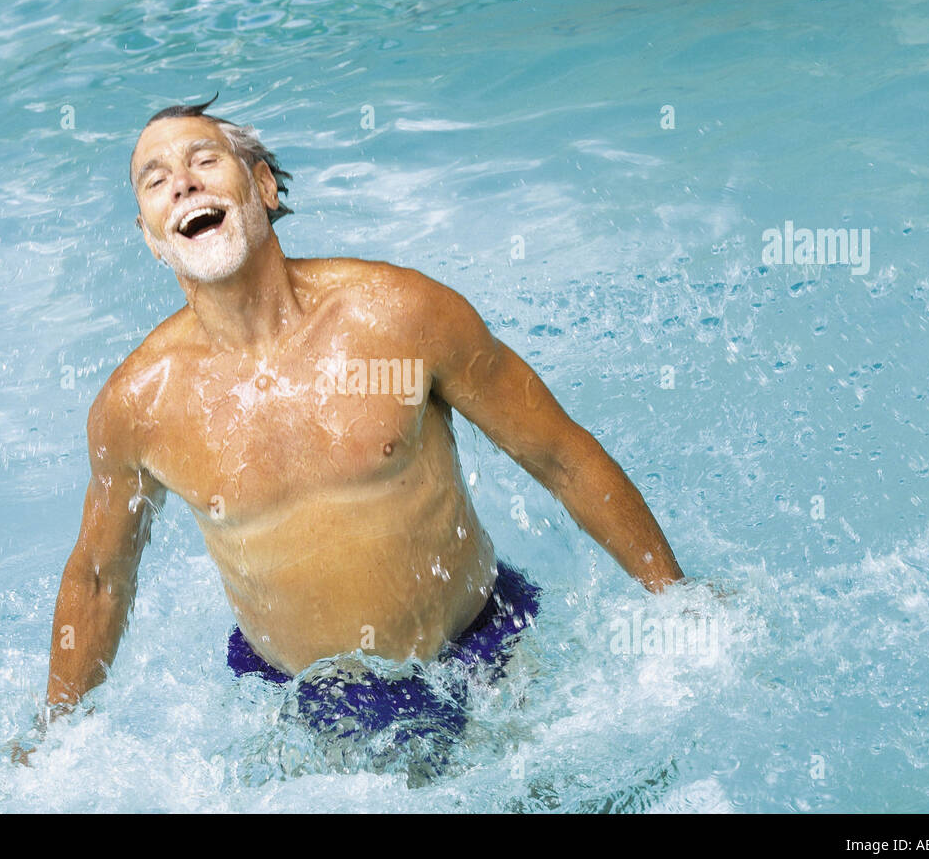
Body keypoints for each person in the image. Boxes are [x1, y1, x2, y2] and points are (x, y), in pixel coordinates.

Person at [43, 94, 684, 730]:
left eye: (204, 161)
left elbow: (559, 456)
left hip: (486, 654)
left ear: (263, 186)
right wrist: (49, 748)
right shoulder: (138, 406)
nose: (181, 184)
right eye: (155, 181)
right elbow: (100, 579)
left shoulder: (401, 316)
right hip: (304, 705)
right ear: (152, 239)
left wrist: (678, 604)